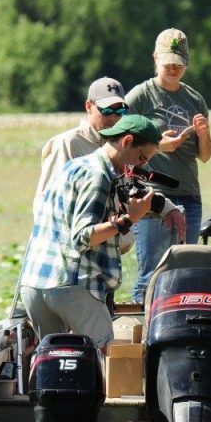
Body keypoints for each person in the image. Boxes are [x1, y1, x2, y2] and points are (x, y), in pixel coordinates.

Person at [18, 114, 162, 350]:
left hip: (36, 282)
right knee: (107, 360)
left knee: (54, 367)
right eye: (141, 157)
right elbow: (83, 236)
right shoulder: (99, 175)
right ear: (126, 141)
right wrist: (129, 219)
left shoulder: (75, 165)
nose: (141, 165)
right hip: (72, 284)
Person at [32, 76, 185, 244]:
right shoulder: (68, 143)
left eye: (120, 111)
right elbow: (48, 201)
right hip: (77, 250)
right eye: (107, 110)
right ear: (89, 106)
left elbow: (130, 186)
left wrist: (168, 208)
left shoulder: (121, 144)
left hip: (107, 247)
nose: (113, 117)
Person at [126, 28, 211, 303]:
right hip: (152, 192)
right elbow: (122, 144)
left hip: (189, 193)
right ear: (155, 58)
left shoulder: (195, 98)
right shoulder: (141, 96)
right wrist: (159, 146)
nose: (173, 69)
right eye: (168, 63)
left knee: (184, 272)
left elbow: (206, 155)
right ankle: (143, 330)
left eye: (179, 64)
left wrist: (203, 133)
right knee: (152, 271)